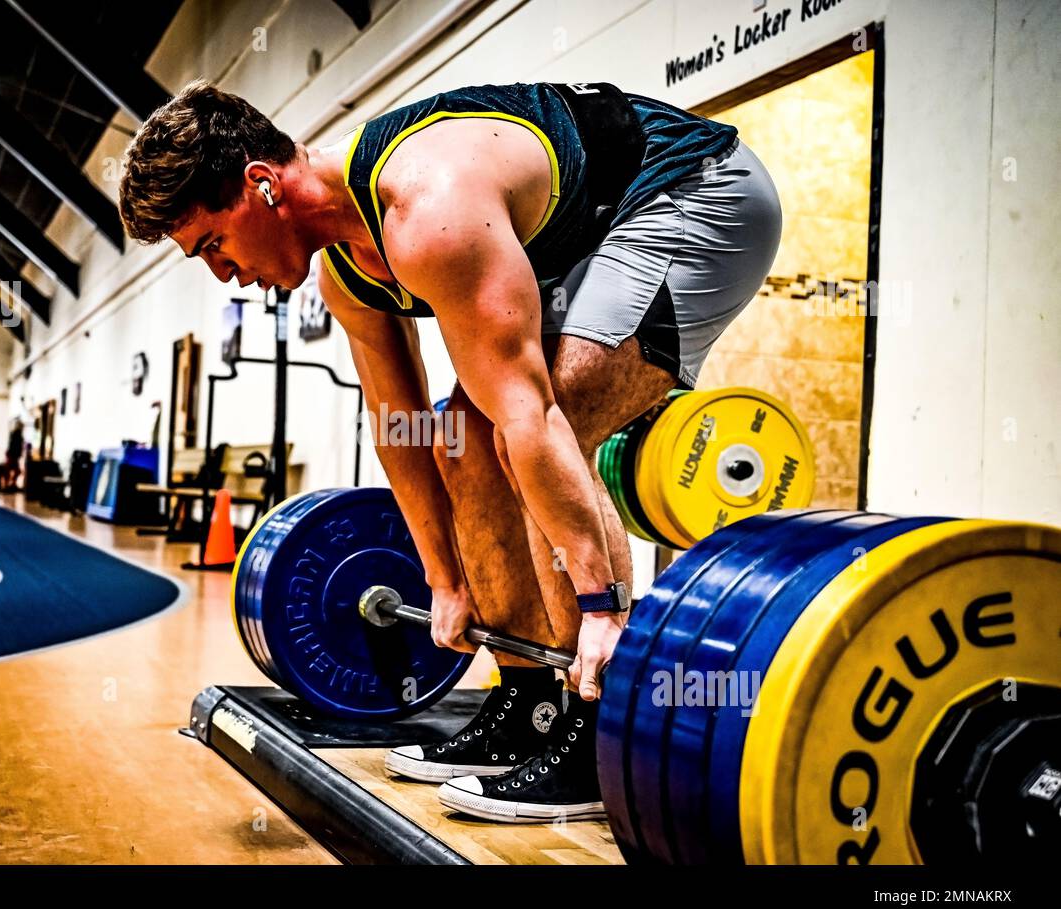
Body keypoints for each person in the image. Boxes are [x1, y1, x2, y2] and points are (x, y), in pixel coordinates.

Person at [118, 80, 781, 823]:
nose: (222, 272)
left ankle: (600, 728)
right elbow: (399, 425)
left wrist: (600, 605)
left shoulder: (428, 208)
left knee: (541, 414)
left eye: (212, 243)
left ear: (263, 185)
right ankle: (529, 701)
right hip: (597, 234)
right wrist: (443, 580)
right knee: (464, 437)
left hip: (698, 191)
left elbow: (529, 417)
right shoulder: (349, 274)